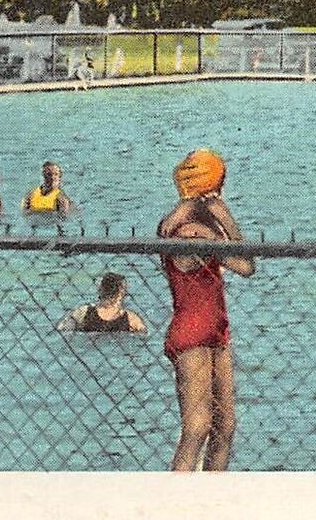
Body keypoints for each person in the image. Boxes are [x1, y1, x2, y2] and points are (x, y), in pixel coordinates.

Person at [159, 149, 255, 471]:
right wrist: (222, 218)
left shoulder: (188, 224)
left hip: (216, 329)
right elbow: (245, 265)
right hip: (192, 333)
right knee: (197, 428)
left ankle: (212, 494)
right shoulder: (187, 231)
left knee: (224, 427)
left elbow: (245, 265)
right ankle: (178, 496)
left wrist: (217, 216)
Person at [58, 272, 148, 333]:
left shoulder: (84, 312)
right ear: (121, 293)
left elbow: (61, 329)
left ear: (100, 289)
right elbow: (144, 333)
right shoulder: (131, 320)